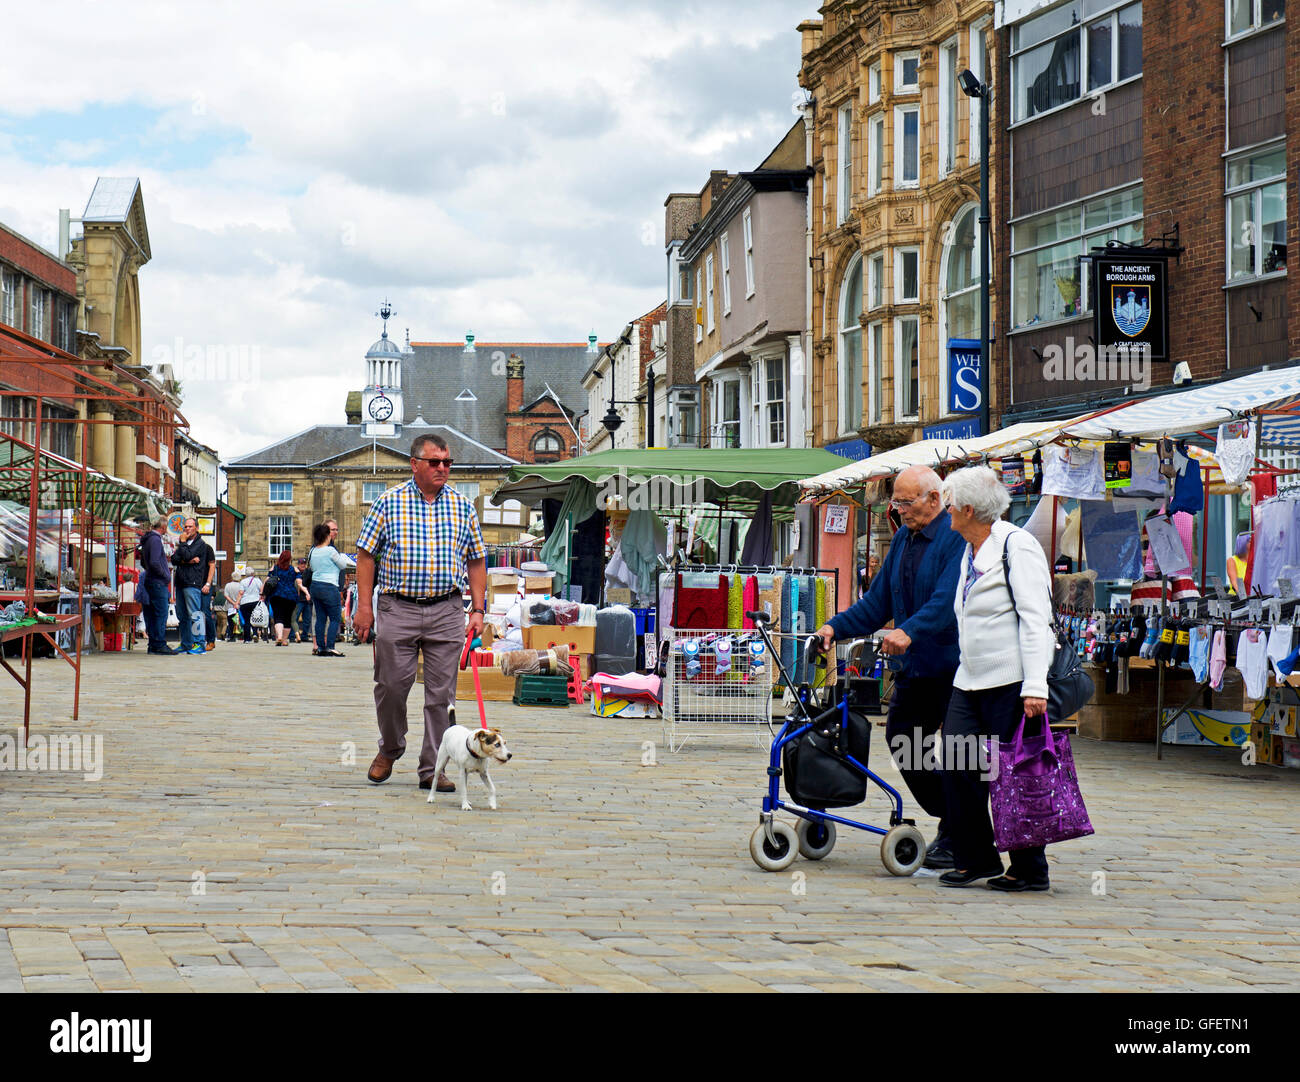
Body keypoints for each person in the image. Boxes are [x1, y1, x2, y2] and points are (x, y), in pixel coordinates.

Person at [814, 465, 966, 868]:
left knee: (959, 751)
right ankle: (954, 817)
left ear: (935, 499)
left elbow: (947, 601)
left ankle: (958, 834)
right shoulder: (902, 538)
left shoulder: (956, 536)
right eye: (895, 502)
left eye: (905, 502)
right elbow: (877, 603)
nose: (898, 510)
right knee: (904, 739)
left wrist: (909, 631)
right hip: (915, 667)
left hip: (956, 667)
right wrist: (835, 626)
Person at [939, 465, 1055, 892]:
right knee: (957, 764)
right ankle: (976, 857)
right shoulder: (970, 548)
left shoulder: (1016, 544)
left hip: (1011, 682)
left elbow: (1035, 618)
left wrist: (1035, 686)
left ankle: (1030, 869)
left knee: (1015, 774)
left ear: (968, 509)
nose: (947, 509)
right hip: (969, 678)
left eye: (951, 503)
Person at [354, 433, 487, 793]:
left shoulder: (463, 506)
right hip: (398, 606)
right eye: (435, 462)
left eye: (447, 462)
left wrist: (478, 609)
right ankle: (391, 747)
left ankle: (432, 768)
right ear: (415, 464)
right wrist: (364, 607)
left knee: (441, 696)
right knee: (391, 687)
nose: (443, 468)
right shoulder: (388, 502)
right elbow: (365, 556)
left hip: (446, 608)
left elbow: (476, 559)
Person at [309, 522, 355, 656]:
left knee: (321, 618)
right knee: (335, 618)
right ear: (327, 536)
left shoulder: (313, 550)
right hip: (329, 586)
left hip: (315, 585)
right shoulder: (330, 550)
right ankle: (330, 646)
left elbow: (311, 568)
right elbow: (342, 565)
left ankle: (321, 647)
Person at [171, 517, 215, 656]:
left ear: (196, 528)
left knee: (195, 614)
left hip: (192, 582)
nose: (187, 529)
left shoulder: (200, 544)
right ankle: (186, 643)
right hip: (181, 582)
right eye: (185, 527)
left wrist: (183, 547)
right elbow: (174, 559)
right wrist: (188, 560)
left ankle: (199, 643)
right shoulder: (184, 543)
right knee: (182, 615)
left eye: (190, 526)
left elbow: (187, 554)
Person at [138, 516, 177, 655]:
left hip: (150, 580)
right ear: (164, 527)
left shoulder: (147, 540)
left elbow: (144, 561)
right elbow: (154, 562)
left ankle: (153, 644)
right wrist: (165, 575)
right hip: (157, 582)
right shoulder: (155, 540)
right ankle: (159, 643)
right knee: (160, 613)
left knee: (152, 614)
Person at [263, 550, 308, 646]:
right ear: (289, 559)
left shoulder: (274, 568)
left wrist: (262, 593)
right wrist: (307, 592)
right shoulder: (294, 569)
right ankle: (284, 640)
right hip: (290, 596)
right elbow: (300, 584)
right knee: (287, 618)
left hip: (276, 595)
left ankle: (279, 636)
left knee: (278, 616)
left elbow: (266, 580)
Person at [238, 568, 263, 643]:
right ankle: (255, 633)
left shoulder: (242, 581)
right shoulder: (257, 580)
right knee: (255, 618)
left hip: (245, 602)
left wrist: (237, 602)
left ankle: (247, 639)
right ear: (253, 573)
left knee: (247, 620)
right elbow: (261, 590)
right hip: (255, 601)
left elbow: (241, 592)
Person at [292, 557, 313, 644]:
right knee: (295, 618)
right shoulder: (295, 573)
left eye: (304, 563)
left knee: (307, 619)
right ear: (298, 564)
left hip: (307, 599)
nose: (303, 565)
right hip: (298, 599)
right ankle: (293, 635)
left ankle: (304, 635)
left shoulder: (308, 572)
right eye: (301, 563)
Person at [223, 575, 243, 642]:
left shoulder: (228, 585)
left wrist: (233, 603)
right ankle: (240, 635)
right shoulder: (241, 585)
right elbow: (242, 594)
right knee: (238, 621)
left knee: (230, 621)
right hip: (239, 605)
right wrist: (237, 603)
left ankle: (232, 636)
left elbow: (226, 595)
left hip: (230, 606)